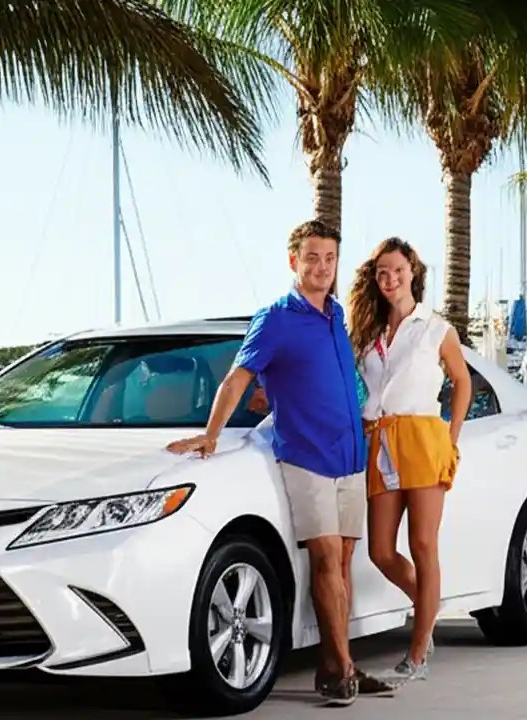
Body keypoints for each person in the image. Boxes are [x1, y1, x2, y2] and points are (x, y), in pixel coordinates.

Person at [166, 219, 395, 705]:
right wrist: (210, 436)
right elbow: (238, 377)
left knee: (344, 565)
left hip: (350, 458)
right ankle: (341, 674)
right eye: (312, 257)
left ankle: (339, 666)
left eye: (329, 258)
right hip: (307, 457)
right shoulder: (274, 318)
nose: (321, 266)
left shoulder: (336, 316)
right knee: (327, 560)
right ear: (294, 261)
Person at [346, 237, 472, 682]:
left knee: (423, 545)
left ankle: (418, 651)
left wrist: (451, 437)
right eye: (382, 272)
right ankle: (429, 612)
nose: (390, 278)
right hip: (379, 439)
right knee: (381, 550)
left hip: (422, 436)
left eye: (397, 270)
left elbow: (462, 382)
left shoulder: (436, 328)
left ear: (413, 272)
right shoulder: (369, 332)